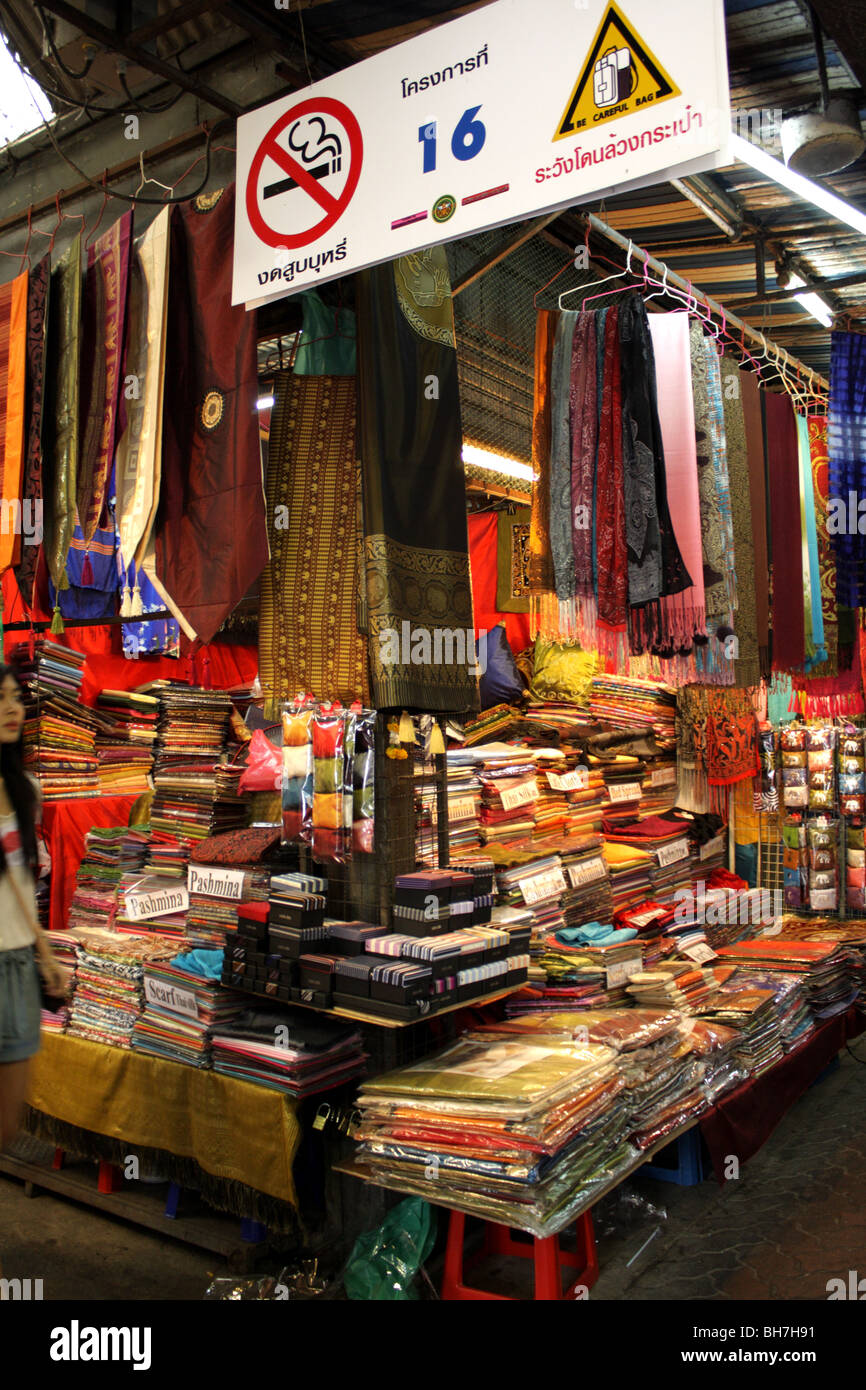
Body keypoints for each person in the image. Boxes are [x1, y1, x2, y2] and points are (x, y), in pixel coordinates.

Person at [0, 665, 68, 1151]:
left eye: (15, 698)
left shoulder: (27, 792)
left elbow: (22, 890)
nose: (10, 709)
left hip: (19, 962)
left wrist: (46, 956)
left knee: (5, 1127)